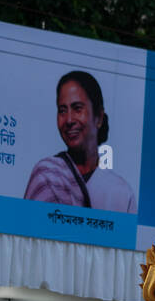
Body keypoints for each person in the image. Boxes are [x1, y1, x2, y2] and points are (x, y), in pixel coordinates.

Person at [23, 70, 136, 213]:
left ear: (99, 117)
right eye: (62, 110)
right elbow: (28, 230)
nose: (69, 120)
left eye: (77, 109)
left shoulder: (120, 193)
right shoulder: (46, 175)